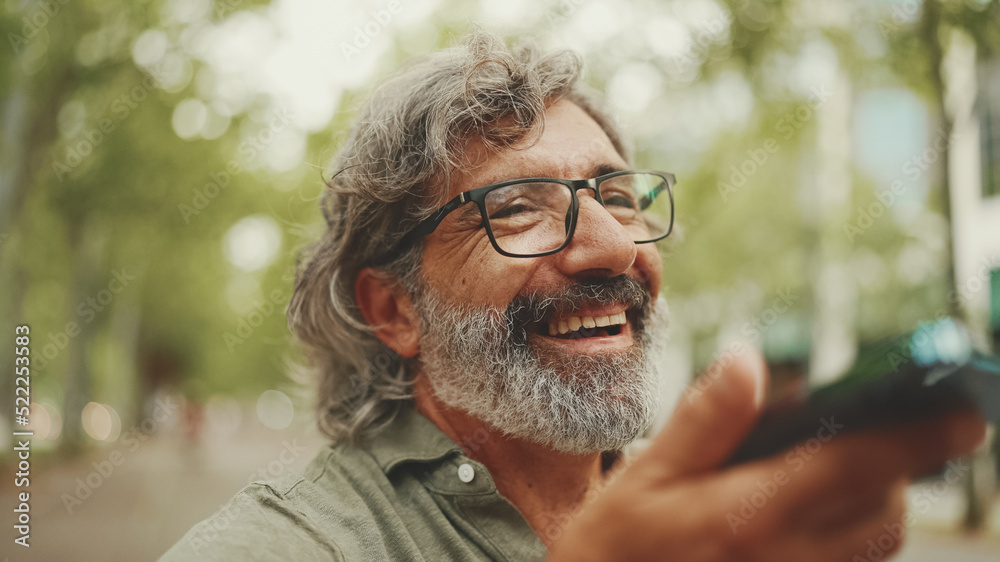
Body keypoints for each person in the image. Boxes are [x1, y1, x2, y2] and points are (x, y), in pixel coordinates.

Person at [161, 30, 986, 561]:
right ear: (394, 310)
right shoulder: (283, 545)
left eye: (617, 197)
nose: (615, 246)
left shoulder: (723, 510)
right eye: (516, 208)